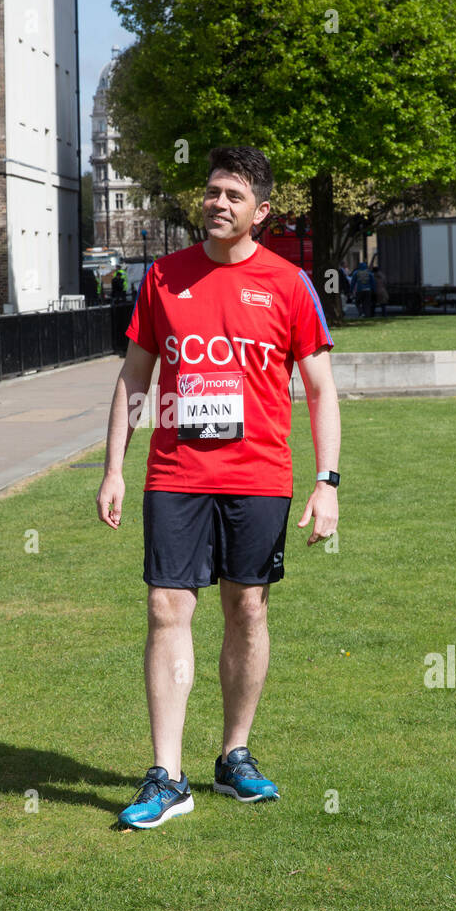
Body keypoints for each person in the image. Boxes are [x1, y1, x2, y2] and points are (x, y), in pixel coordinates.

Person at [96, 146, 340, 829]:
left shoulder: (289, 284)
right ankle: (167, 775)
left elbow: (320, 390)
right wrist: (113, 467)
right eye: (212, 191)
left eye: (234, 194)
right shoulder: (164, 279)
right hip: (175, 475)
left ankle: (235, 755)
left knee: (248, 609)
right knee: (167, 610)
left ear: (260, 211)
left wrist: (328, 483)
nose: (218, 203)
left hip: (259, 477)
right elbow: (133, 379)